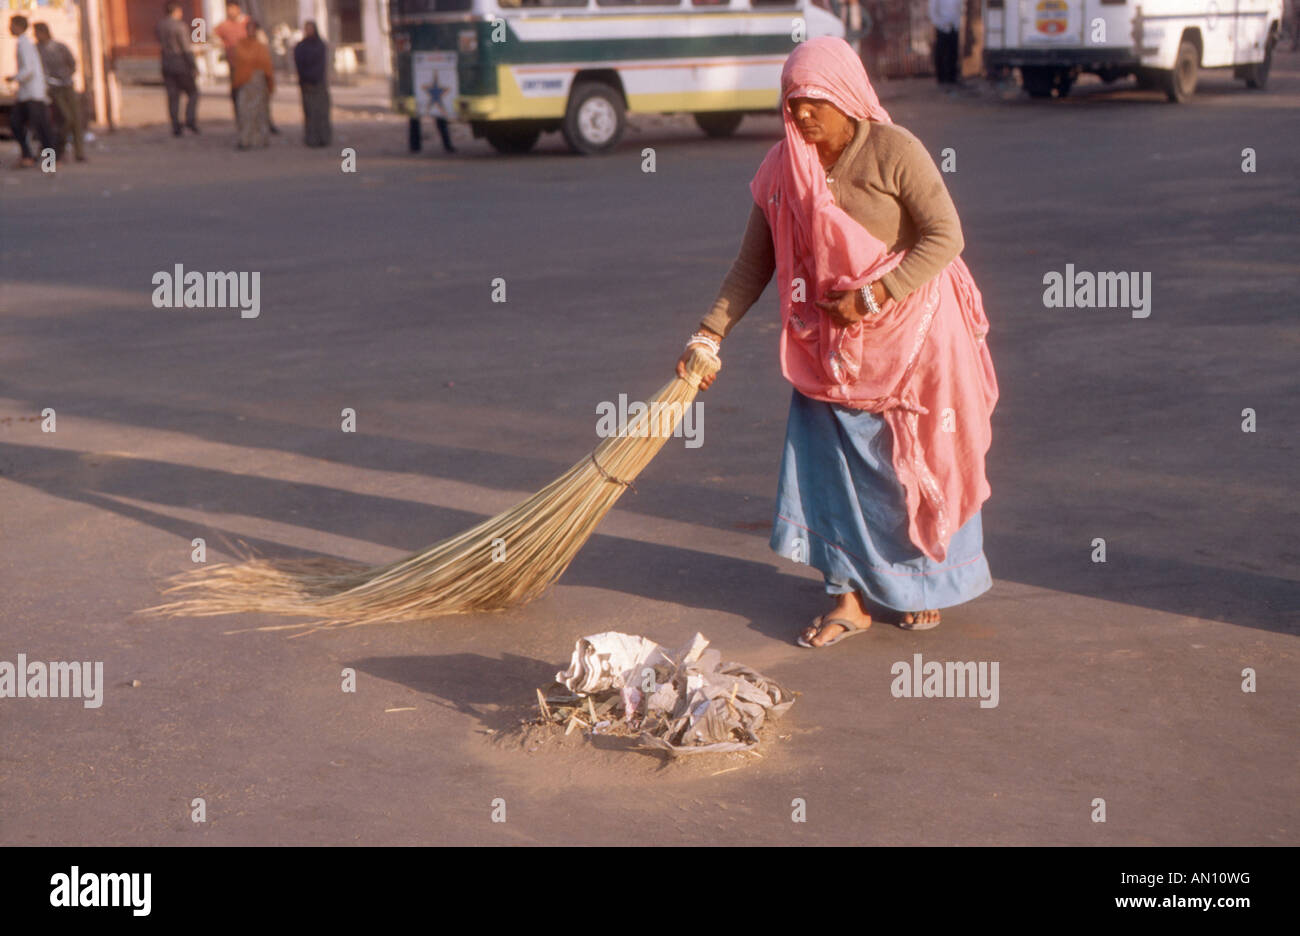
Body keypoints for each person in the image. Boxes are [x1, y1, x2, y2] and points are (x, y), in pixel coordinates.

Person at [676, 37, 998, 647]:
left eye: (815, 99)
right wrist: (708, 333)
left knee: (909, 467)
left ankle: (918, 586)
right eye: (792, 99)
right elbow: (754, 264)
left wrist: (874, 296)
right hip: (825, 350)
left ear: (847, 97)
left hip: (915, 342)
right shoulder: (781, 170)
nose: (801, 112)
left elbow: (944, 235)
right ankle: (847, 597)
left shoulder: (894, 150)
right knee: (828, 473)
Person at [6, 15, 55, 168]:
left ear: (18, 26)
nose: (9, 28)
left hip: (33, 94)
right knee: (16, 123)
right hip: (27, 94)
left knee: (41, 127)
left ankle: (49, 161)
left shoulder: (24, 44)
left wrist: (14, 78)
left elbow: (28, 70)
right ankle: (28, 156)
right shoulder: (23, 42)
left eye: (12, 25)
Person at [33, 23, 85, 162]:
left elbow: (72, 63)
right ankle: (57, 146)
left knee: (76, 120)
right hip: (53, 88)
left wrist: (67, 75)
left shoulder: (59, 47)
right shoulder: (37, 49)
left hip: (67, 85)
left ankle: (79, 152)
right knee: (66, 119)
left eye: (38, 33)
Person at [157, 0, 199, 135]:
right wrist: (193, 65)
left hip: (166, 64)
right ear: (176, 11)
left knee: (173, 96)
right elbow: (186, 48)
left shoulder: (160, 26)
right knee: (193, 93)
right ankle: (190, 120)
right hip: (181, 65)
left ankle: (175, 124)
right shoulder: (180, 27)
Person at [232, 20, 274, 149]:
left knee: (259, 113)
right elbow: (239, 61)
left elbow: (267, 66)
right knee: (244, 113)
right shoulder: (241, 45)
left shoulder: (261, 46)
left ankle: (260, 140)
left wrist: (269, 84)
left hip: (259, 83)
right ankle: (245, 140)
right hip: (244, 83)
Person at [293, 20, 331, 147]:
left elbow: (321, 65)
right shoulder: (300, 46)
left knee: (321, 111)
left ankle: (323, 138)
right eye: (306, 29)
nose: (309, 31)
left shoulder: (320, 45)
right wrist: (305, 79)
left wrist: (314, 77)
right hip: (306, 84)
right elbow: (299, 64)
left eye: (311, 28)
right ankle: (311, 139)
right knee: (310, 112)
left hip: (319, 83)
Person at [928, 0, 962, 86]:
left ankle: (952, 77)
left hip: (954, 27)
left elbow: (959, 9)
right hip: (942, 27)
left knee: (953, 52)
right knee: (941, 53)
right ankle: (941, 77)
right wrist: (940, 24)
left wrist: (957, 24)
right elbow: (932, 11)